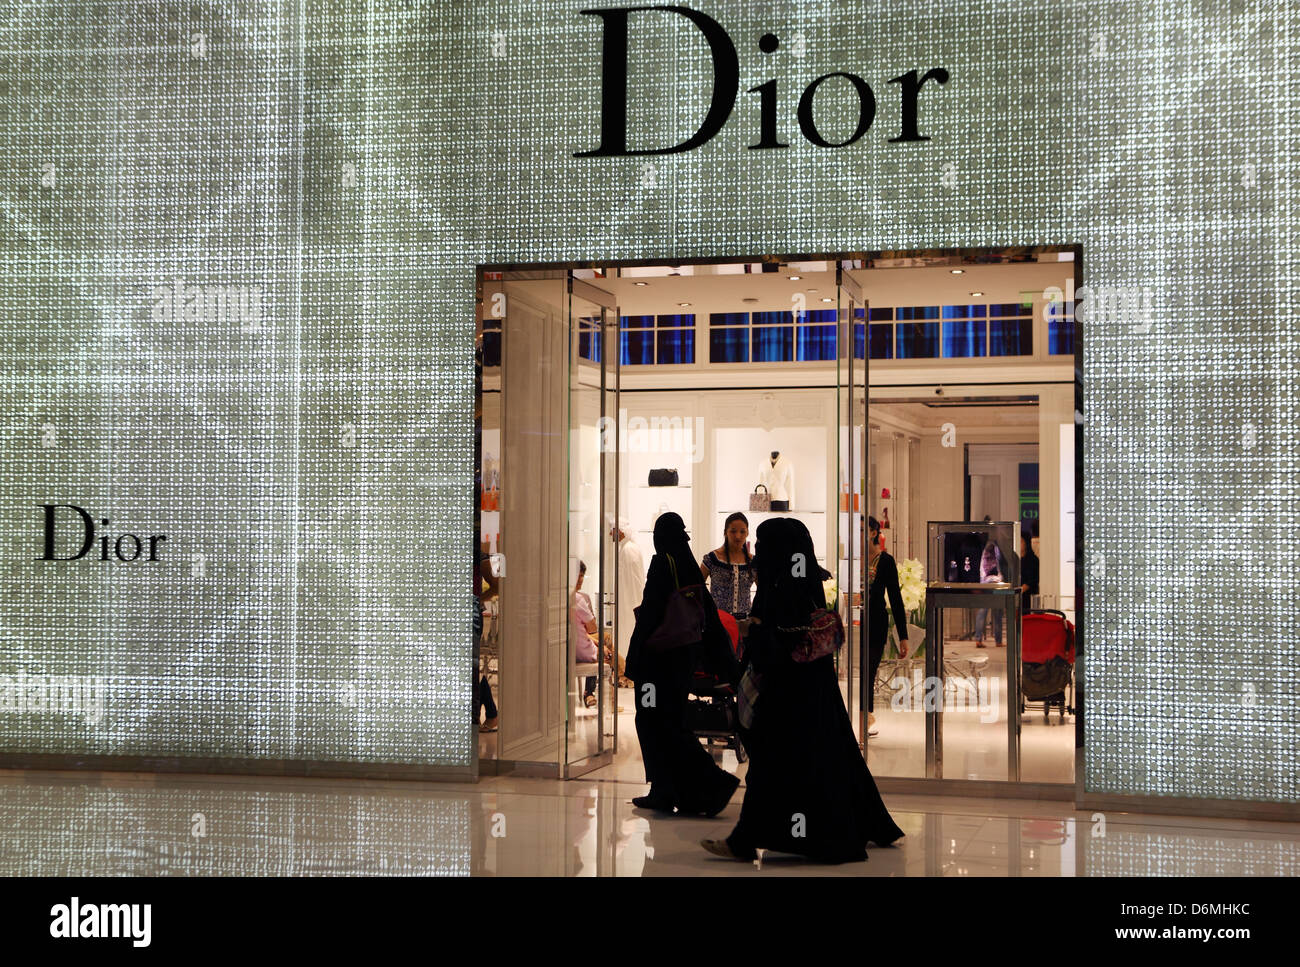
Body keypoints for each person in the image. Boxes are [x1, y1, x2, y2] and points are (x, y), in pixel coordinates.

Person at [701, 518, 904, 863]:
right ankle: (861, 825)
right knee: (824, 757)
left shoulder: (782, 583)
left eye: (763, 544)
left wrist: (754, 633)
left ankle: (749, 839)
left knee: (772, 764)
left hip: (787, 690)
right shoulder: (802, 577)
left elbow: (781, 636)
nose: (757, 550)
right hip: (810, 688)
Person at [626, 512, 740, 816]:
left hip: (657, 661)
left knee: (652, 721)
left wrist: (634, 659)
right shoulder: (688, 564)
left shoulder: (662, 562)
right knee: (672, 722)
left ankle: (706, 785)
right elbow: (709, 617)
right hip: (682, 659)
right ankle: (667, 790)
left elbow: (650, 614)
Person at [865, 515, 909, 735]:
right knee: (862, 669)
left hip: (876, 622)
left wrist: (903, 635)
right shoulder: (852, 559)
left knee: (869, 669)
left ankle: (866, 716)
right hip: (855, 622)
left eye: (863, 530)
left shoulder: (885, 561)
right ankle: (865, 716)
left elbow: (895, 598)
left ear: (874, 532)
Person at [610, 517, 646, 687]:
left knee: (628, 636)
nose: (611, 533)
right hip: (627, 603)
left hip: (630, 605)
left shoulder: (628, 550)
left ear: (621, 531)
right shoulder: (626, 549)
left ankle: (628, 674)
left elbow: (633, 583)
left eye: (613, 530)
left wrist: (630, 606)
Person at [699, 511, 756, 620]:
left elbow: (762, 592)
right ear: (725, 532)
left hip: (745, 622)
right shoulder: (712, 558)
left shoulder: (753, 562)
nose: (738, 536)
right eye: (733, 531)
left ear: (747, 533)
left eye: (742, 532)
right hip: (718, 622)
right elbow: (697, 587)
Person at [475, 544, 500, 732]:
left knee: (471, 669)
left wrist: (476, 599)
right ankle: (490, 713)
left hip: (471, 619)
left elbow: (497, 586)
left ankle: (491, 713)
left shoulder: (478, 553)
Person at [571, 561, 600, 708]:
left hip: (579, 639)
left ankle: (590, 692)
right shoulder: (578, 598)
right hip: (581, 645)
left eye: (582, 575)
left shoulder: (581, 597)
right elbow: (592, 627)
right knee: (605, 644)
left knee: (602, 641)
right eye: (578, 575)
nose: (580, 579)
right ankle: (589, 693)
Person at [974, 534, 1006, 648]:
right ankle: (998, 640)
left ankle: (978, 638)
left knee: (983, 612)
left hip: (985, 583)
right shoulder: (995, 547)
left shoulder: (983, 548)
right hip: (996, 583)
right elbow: (1000, 565)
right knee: (997, 613)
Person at [1018, 530, 1039, 613]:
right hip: (1017, 595)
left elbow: (1033, 579)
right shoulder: (1015, 559)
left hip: (1028, 595)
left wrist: (1021, 589)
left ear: (1026, 543)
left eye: (1021, 542)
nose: (1018, 544)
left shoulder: (1032, 559)